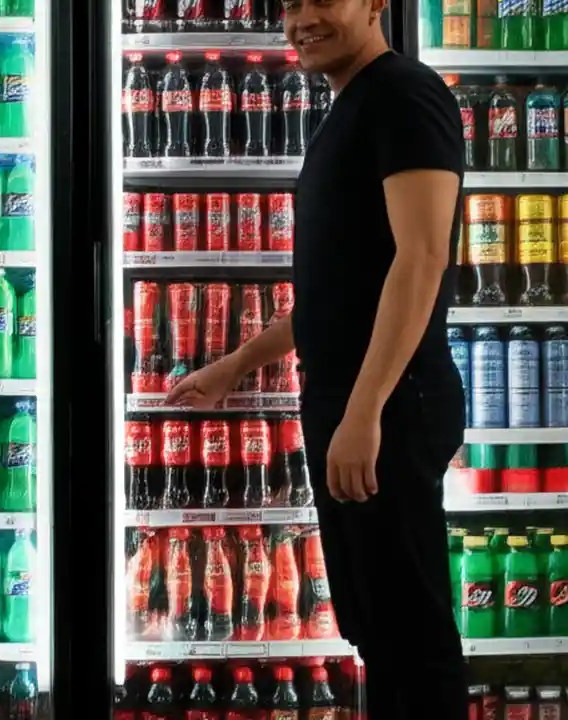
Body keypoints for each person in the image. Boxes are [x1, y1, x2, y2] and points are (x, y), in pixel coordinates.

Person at [164, 0, 466, 715]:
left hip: (388, 401)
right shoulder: (353, 105)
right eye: (290, 5)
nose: (300, 19)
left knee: (412, 634)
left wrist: (366, 412)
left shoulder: (402, 94)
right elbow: (344, 288)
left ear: (371, 6)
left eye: (321, 1)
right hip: (353, 401)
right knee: (377, 627)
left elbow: (420, 259)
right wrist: (238, 363)